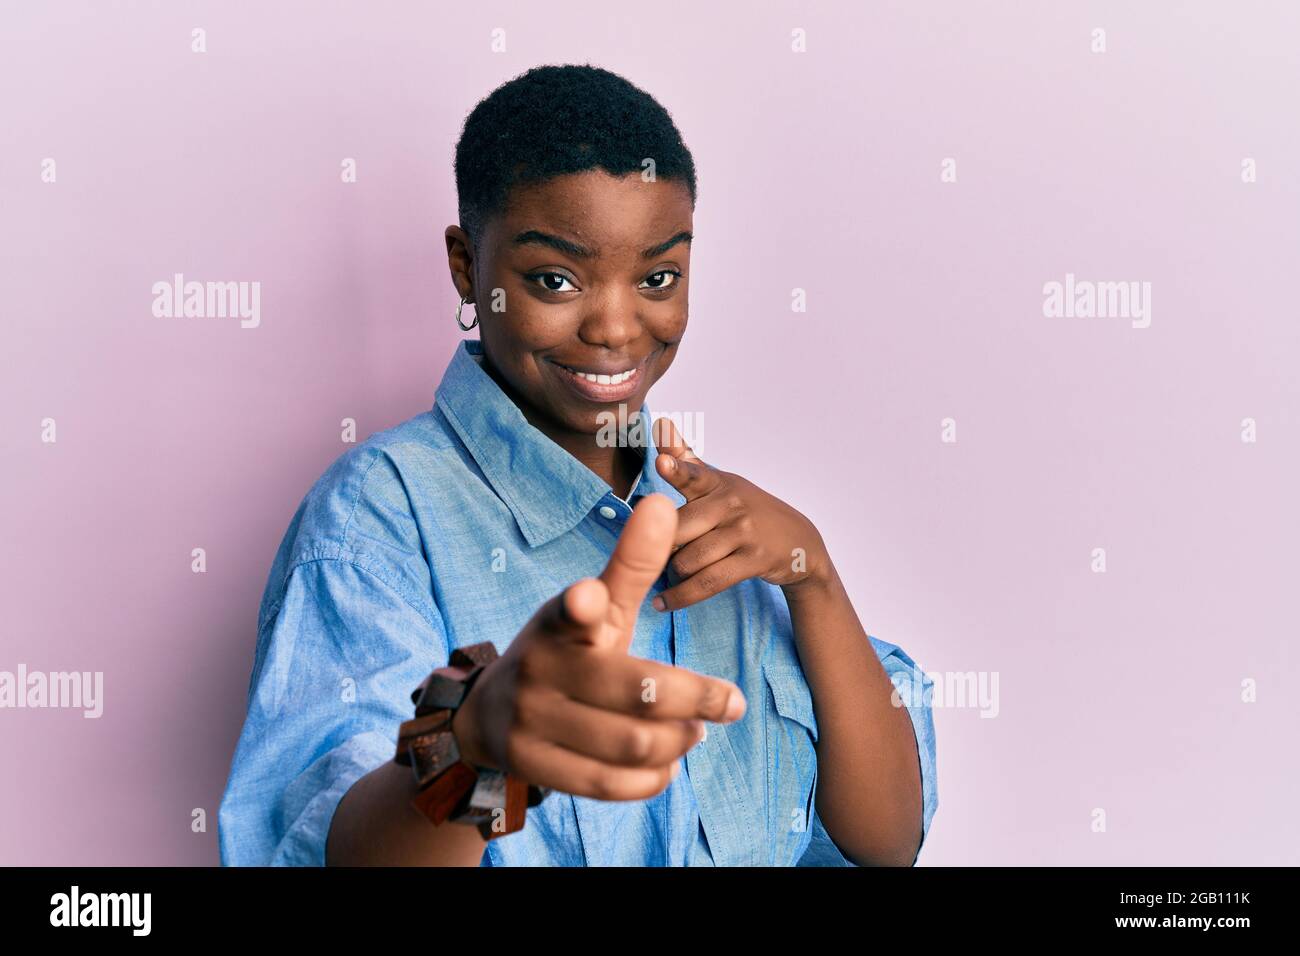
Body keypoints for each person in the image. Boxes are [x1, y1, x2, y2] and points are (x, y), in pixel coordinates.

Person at [217, 63, 938, 867]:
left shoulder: (725, 529)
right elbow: (341, 852)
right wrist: (478, 751)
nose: (616, 329)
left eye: (658, 278)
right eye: (555, 280)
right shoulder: (380, 518)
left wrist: (817, 580)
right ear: (467, 266)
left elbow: (886, 842)